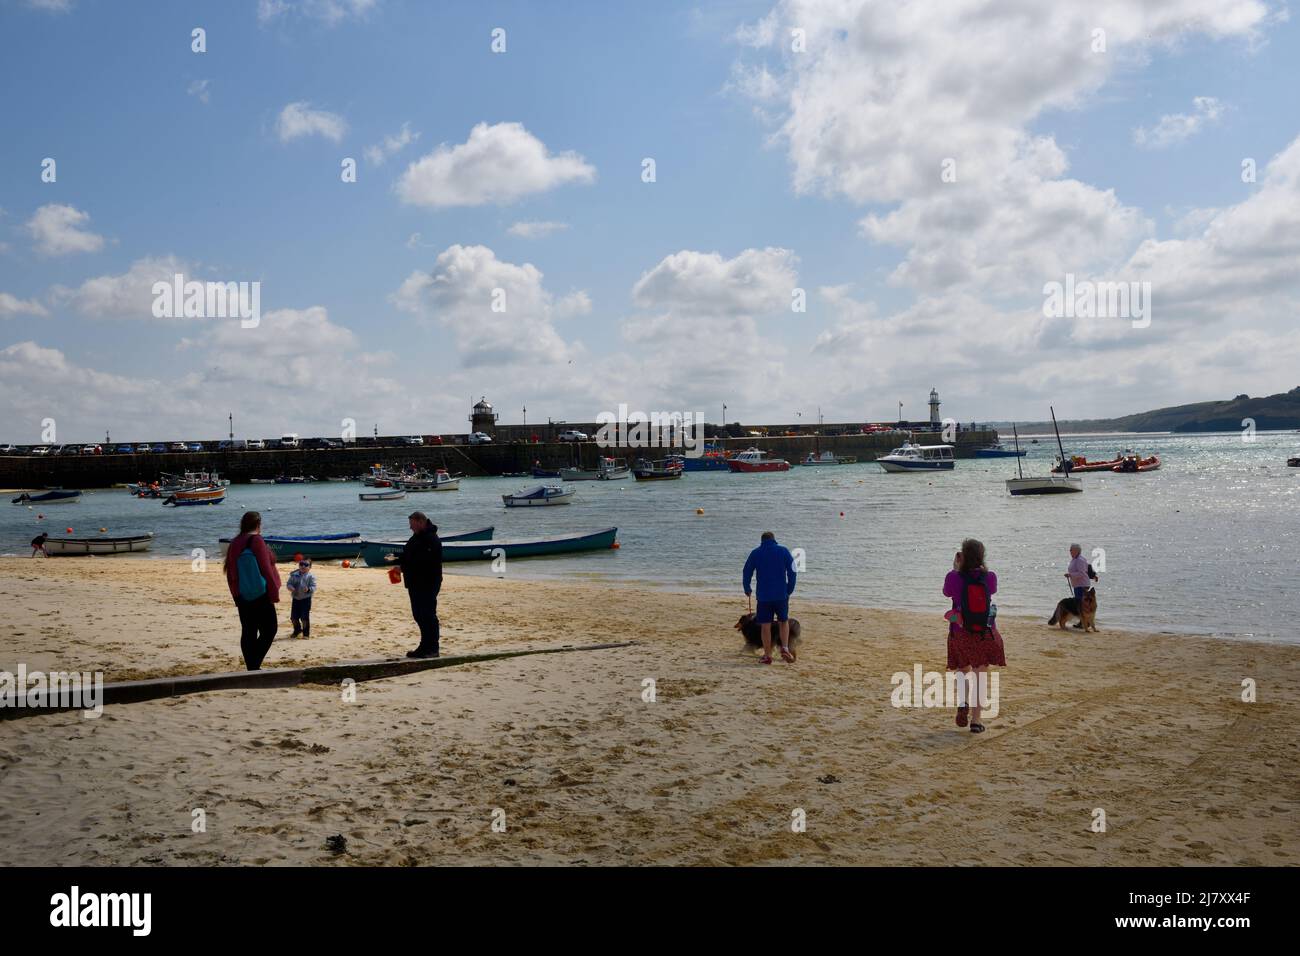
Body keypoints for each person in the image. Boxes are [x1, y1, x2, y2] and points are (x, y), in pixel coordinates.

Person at [944, 538, 1005, 734]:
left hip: (960, 632)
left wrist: (955, 569)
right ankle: (976, 721)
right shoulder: (990, 577)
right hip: (983, 632)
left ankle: (963, 702)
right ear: (982, 556)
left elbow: (946, 593)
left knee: (963, 671)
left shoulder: (954, 577)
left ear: (963, 556)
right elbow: (992, 591)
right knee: (980, 676)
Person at [223, 511, 282, 670]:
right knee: (270, 629)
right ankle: (254, 666)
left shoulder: (235, 542)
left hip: (241, 593)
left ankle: (251, 667)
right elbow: (266, 570)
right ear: (258, 524)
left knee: (249, 631)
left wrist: (235, 594)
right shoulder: (256, 540)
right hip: (260, 593)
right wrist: (274, 592)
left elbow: (230, 572)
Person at [742, 531, 797, 664]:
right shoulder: (783, 551)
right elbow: (793, 571)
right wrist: (789, 589)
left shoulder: (756, 553)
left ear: (762, 541)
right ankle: (784, 648)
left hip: (764, 596)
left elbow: (747, 571)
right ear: (774, 540)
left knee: (765, 626)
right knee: (783, 622)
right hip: (781, 595)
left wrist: (747, 588)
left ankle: (767, 656)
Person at [397, 511, 442, 658]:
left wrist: (404, 565)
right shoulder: (416, 537)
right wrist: (399, 563)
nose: (410, 528)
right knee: (418, 615)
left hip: (427, 582)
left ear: (421, 522)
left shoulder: (431, 538)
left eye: (412, 524)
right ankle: (424, 646)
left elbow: (424, 561)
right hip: (415, 582)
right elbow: (409, 555)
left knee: (428, 615)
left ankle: (433, 648)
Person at [286, 558, 317, 638]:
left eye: (306, 565)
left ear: (310, 567)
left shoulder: (311, 576)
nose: (303, 566)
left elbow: (314, 587)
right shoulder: (294, 575)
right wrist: (290, 587)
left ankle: (306, 634)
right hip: (296, 599)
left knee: (304, 617)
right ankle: (297, 630)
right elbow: (289, 583)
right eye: (301, 564)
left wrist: (308, 589)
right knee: (293, 617)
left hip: (306, 599)